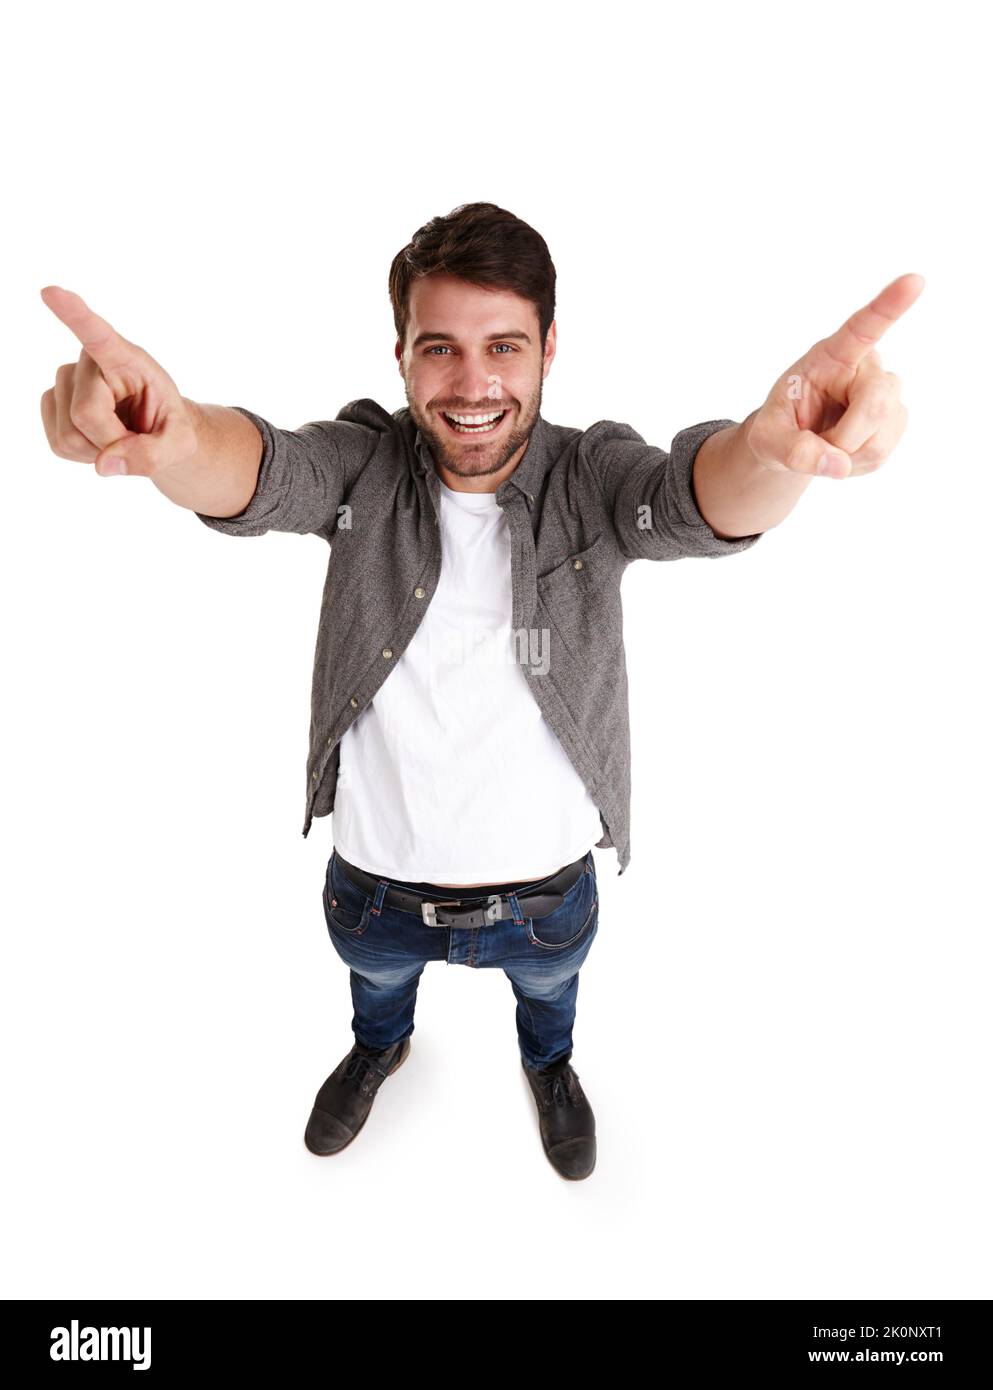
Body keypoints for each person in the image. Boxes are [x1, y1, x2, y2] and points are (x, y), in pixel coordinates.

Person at [39, 204, 920, 1181]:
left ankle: (549, 1067)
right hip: (373, 886)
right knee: (375, 990)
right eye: (439, 349)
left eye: (503, 345)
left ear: (549, 348)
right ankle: (382, 1046)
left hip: (543, 897)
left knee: (550, 1002)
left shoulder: (590, 475)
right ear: (402, 356)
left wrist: (768, 447)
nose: (472, 384)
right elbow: (263, 472)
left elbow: (689, 499)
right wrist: (171, 438)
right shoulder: (364, 467)